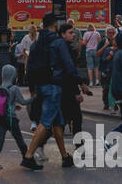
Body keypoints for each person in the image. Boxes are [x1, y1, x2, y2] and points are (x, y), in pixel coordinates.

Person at [22, 15, 91, 170]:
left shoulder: (36, 44)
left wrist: (33, 89)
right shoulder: (58, 42)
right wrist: (80, 83)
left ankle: (65, 157)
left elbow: (30, 67)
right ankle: (28, 156)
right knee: (46, 122)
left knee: (58, 123)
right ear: (54, 24)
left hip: (40, 85)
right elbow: (68, 65)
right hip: (54, 85)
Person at [0, 64, 29, 170]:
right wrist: (34, 98)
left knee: (0, 139)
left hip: (1, 116)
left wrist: (15, 106)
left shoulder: (0, 87)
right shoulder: (14, 88)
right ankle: (27, 157)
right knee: (19, 139)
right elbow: (23, 102)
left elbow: (5, 102)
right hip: (11, 118)